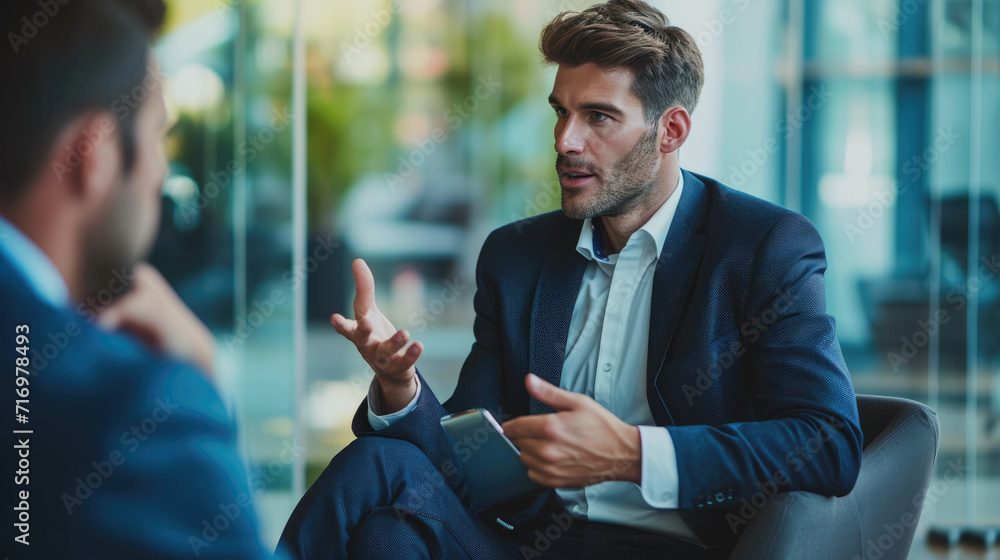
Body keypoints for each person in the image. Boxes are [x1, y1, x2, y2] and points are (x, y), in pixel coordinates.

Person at [278, 1, 864, 559]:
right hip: (527, 540)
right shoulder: (517, 255)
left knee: (388, 540)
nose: (565, 141)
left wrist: (632, 453)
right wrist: (401, 387)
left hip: (677, 547)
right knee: (380, 471)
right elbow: (473, 455)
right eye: (561, 111)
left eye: (598, 117)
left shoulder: (763, 246)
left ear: (671, 130)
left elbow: (829, 444)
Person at [1, 0, 272, 557]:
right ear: (95, 154)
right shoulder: (134, 410)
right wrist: (205, 376)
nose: (160, 173)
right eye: (157, 136)